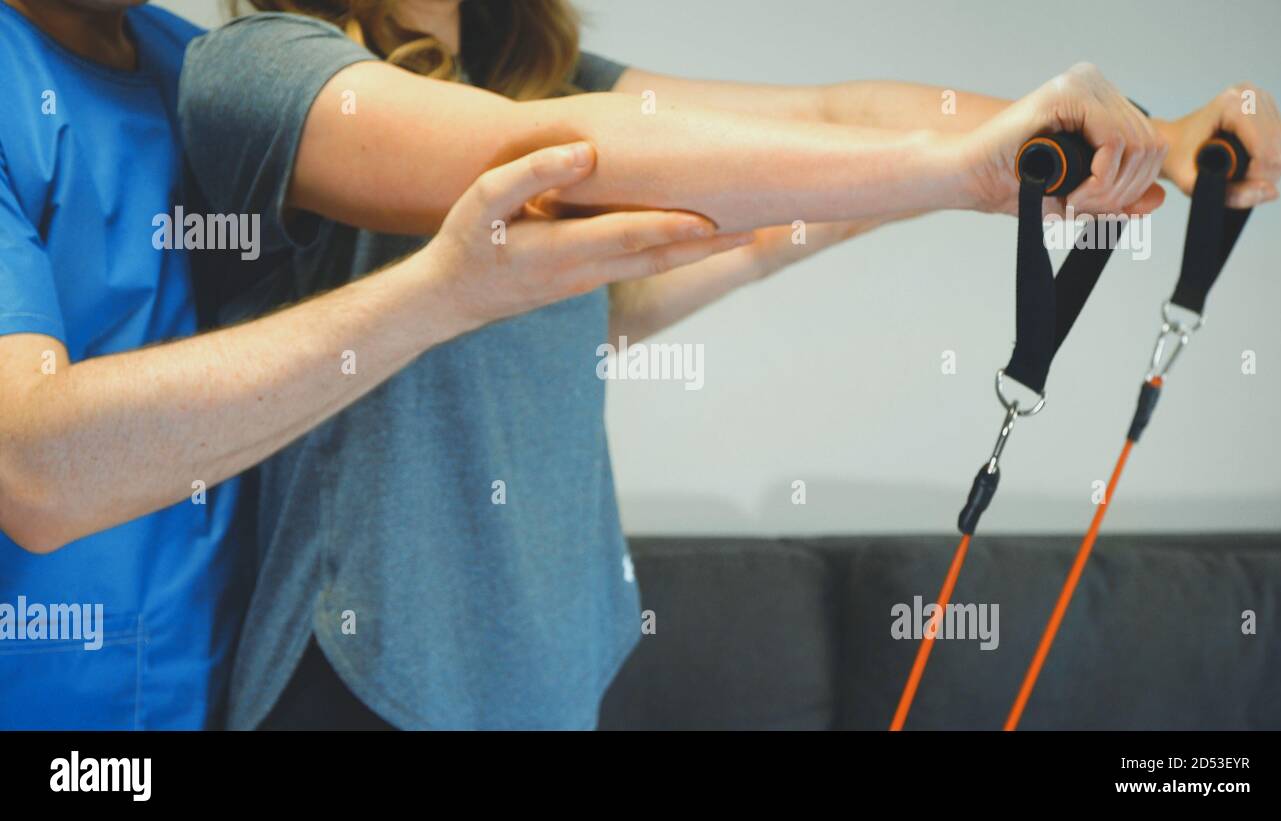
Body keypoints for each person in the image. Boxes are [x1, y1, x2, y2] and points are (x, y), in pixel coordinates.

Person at [176, 0, 1281, 729]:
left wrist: (1152, 133)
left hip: (550, 678)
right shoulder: (260, 70)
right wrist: (952, 169)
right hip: (364, 682)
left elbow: (830, 111)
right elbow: (530, 160)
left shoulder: (556, 79)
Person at [0, 0, 743, 729]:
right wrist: (440, 293)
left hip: (210, 677)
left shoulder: (185, 66)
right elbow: (35, 470)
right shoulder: (226, 74)